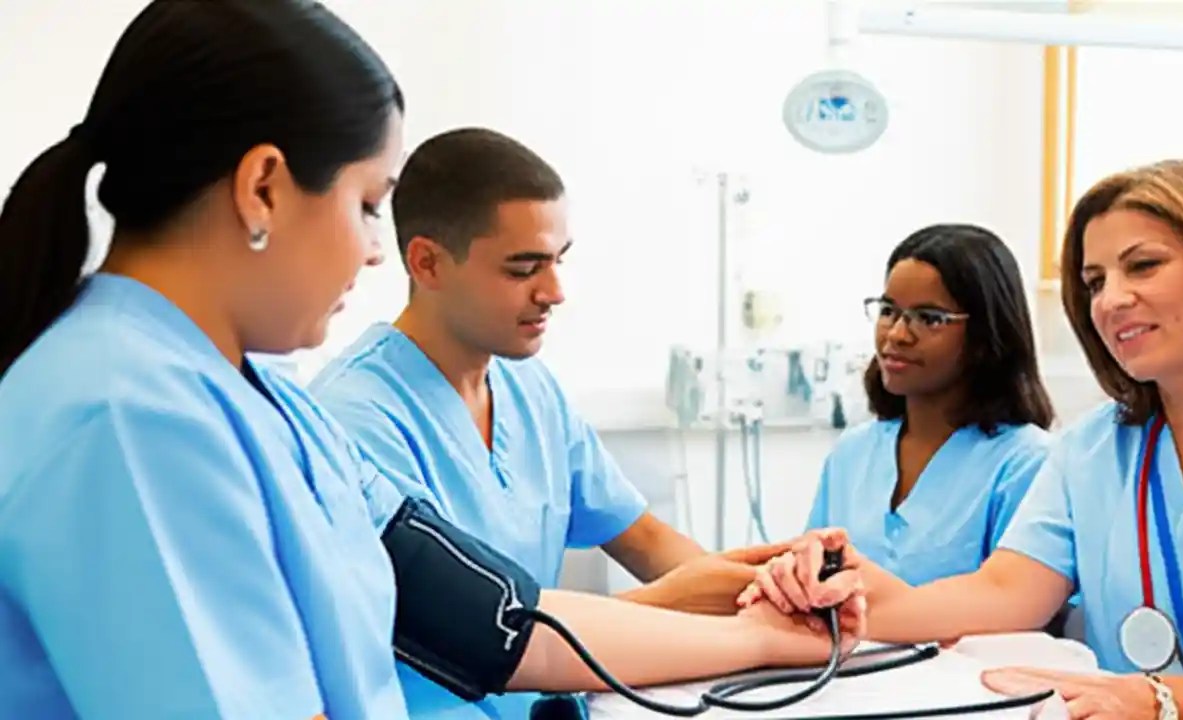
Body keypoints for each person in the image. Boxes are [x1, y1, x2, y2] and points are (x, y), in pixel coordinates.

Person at [0, 3, 863, 720]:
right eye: (368, 204)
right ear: (263, 186)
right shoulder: (128, 417)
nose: (374, 251)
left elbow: (498, 625)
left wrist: (765, 635)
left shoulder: (265, 400)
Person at [745, 160, 1183, 718]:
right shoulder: (1093, 451)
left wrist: (1160, 699)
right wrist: (845, 595)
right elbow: (1005, 591)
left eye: (1143, 266)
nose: (1111, 300)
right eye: (1095, 282)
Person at [310, 128, 773, 605]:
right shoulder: (354, 419)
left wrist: (766, 593)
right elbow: (480, 630)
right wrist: (674, 602)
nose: (554, 291)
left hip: (551, 675)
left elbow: (646, 540)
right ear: (427, 264)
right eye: (522, 269)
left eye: (558, 261)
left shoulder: (529, 389)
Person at [803, 224, 1054, 590]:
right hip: (841, 649)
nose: (897, 334)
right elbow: (810, 577)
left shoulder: (1026, 463)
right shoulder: (852, 453)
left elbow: (1022, 609)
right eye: (889, 310)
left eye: (930, 318)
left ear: (987, 334)